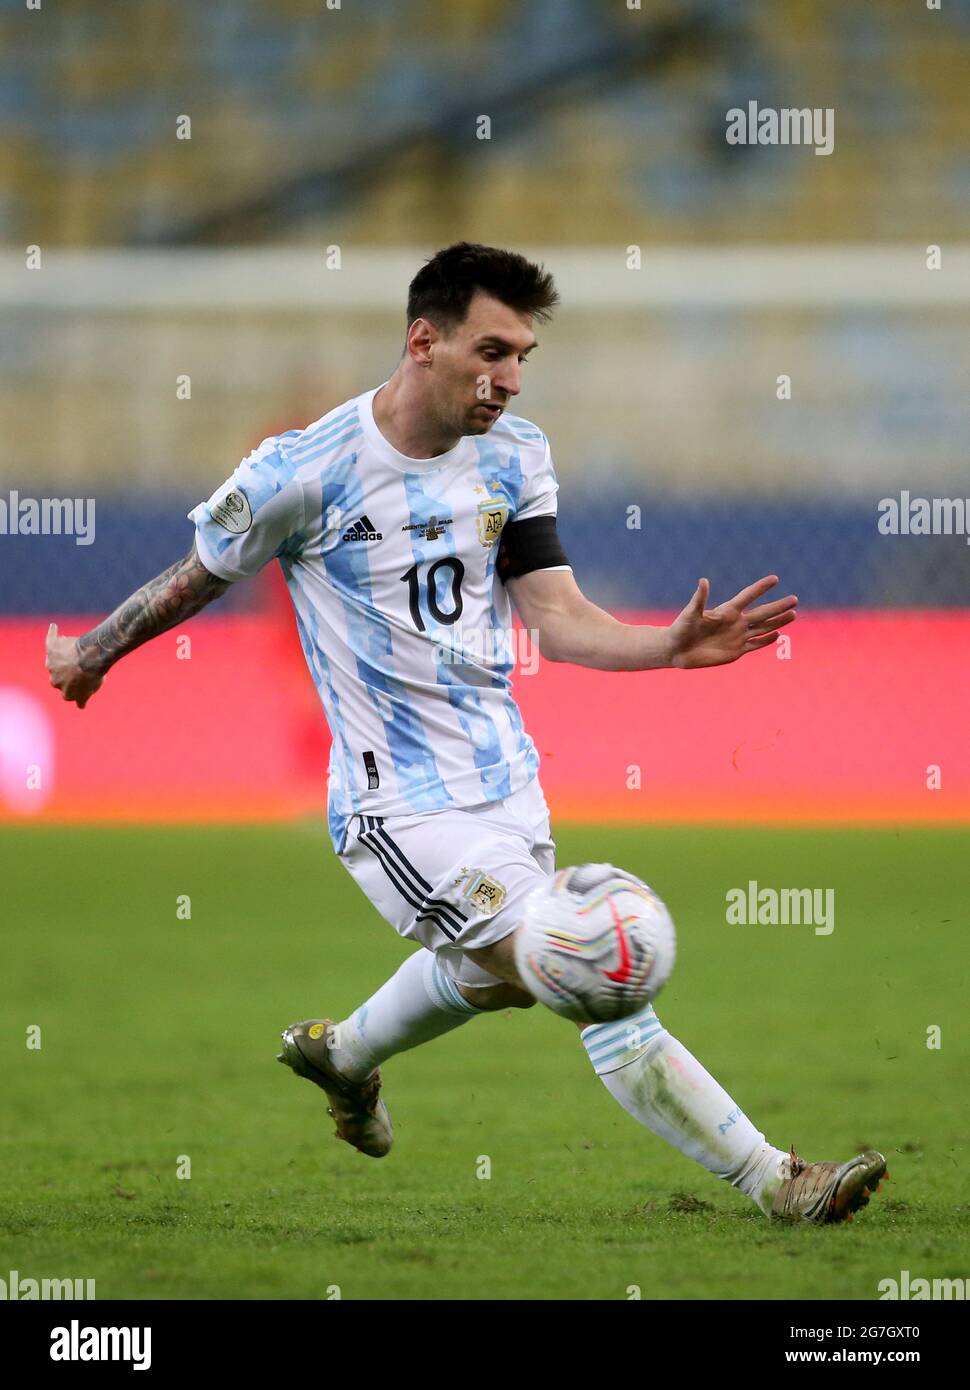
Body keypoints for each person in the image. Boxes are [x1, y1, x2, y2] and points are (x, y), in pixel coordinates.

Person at [45, 242, 885, 1223]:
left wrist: (666, 645)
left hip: (505, 782)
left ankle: (344, 1053)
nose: (511, 378)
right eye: (493, 350)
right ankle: (776, 1180)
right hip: (395, 807)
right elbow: (197, 575)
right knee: (593, 958)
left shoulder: (515, 455)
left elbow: (558, 617)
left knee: (510, 980)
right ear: (423, 341)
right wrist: (94, 652)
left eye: (524, 355)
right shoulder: (302, 469)